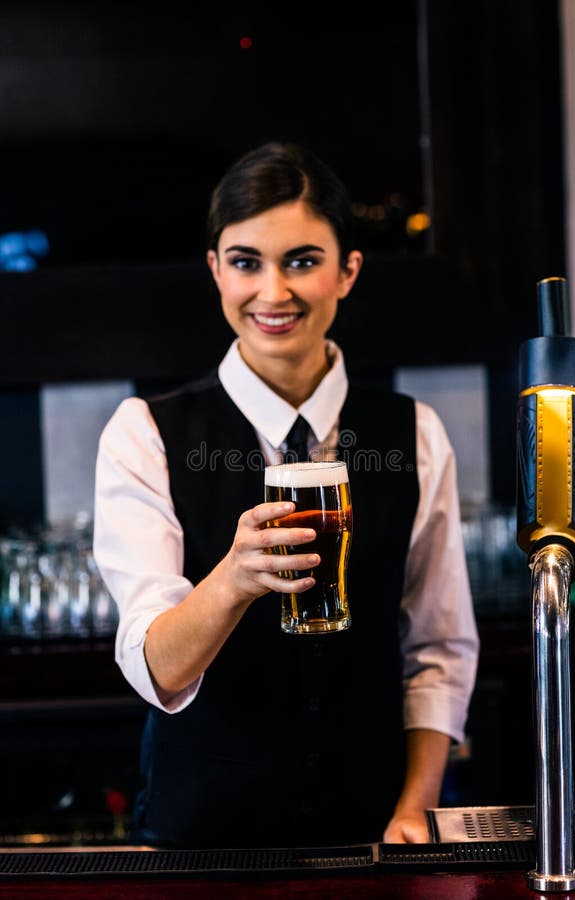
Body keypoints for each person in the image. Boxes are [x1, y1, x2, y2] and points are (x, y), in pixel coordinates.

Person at [93, 141, 479, 849]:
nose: (274, 292)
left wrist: (414, 807)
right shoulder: (144, 434)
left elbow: (438, 647)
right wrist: (234, 582)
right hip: (200, 846)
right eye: (246, 262)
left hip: (371, 835)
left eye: (302, 260)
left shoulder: (414, 433)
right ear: (215, 271)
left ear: (347, 272)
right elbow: (156, 665)